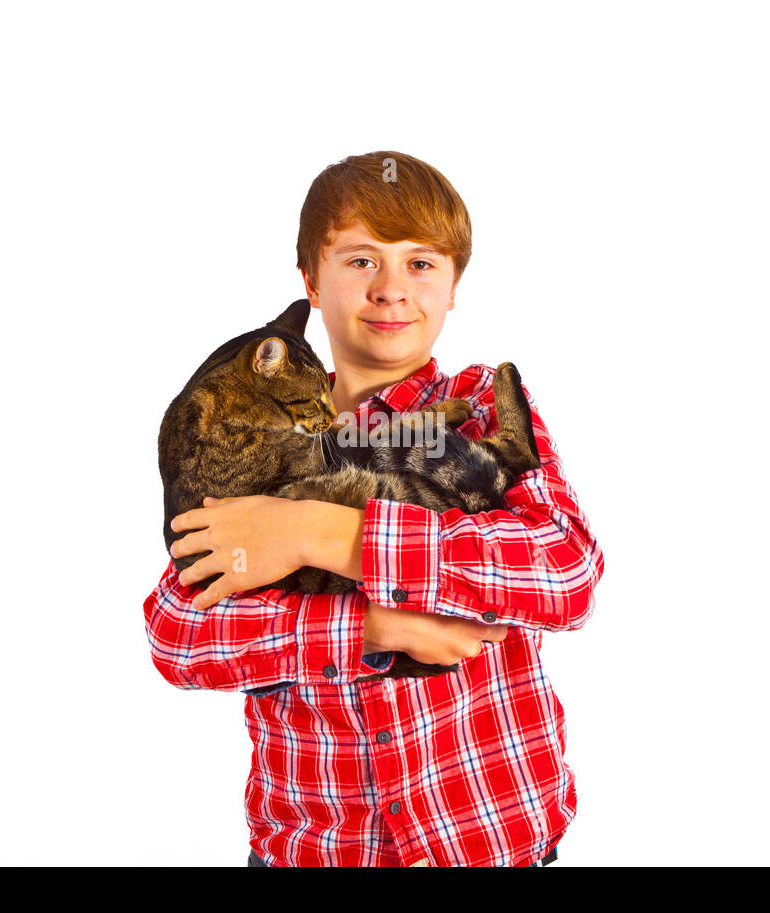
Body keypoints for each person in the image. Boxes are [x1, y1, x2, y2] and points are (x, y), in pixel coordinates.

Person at [143, 150, 605, 866]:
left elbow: (564, 574)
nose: (392, 289)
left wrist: (317, 532)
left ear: (454, 288)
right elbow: (181, 635)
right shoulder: (249, 427)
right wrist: (370, 625)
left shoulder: (482, 407)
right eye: (361, 261)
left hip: (490, 842)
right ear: (310, 284)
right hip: (313, 850)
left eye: (421, 264)